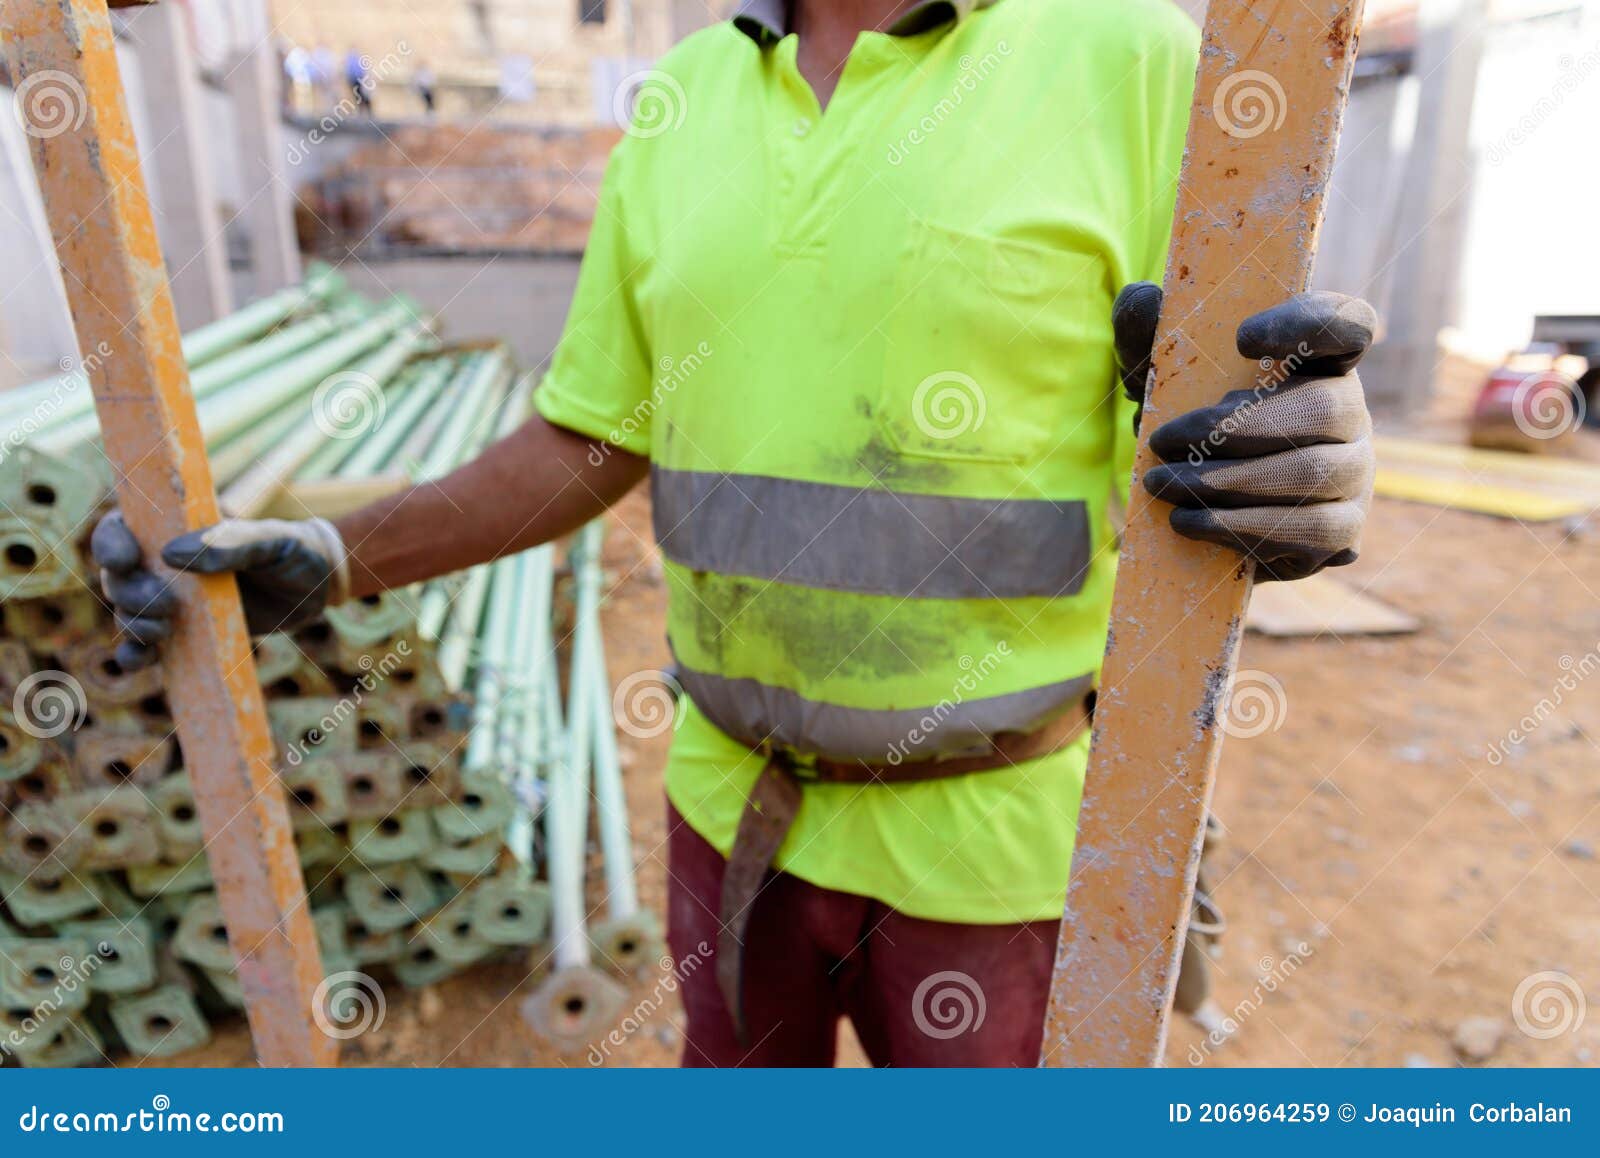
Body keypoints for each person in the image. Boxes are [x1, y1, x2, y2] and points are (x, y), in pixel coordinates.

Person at [95, 0, 1377, 1068]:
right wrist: (336, 557)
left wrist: (1303, 456)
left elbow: (1235, 394)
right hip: (730, 811)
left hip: (1005, 839)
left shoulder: (1133, 57)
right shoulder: (683, 95)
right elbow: (593, 436)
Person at [345, 48, 371, 113]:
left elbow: (358, 70)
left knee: (359, 94)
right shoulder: (354, 58)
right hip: (354, 79)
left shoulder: (354, 58)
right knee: (357, 94)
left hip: (356, 79)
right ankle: (360, 108)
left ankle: (363, 108)